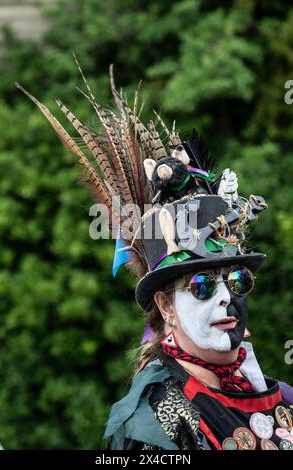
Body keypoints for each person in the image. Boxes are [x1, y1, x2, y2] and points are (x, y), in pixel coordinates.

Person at [18, 65, 293, 451]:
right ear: (165, 306)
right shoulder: (156, 422)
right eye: (200, 286)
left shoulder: (282, 399)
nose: (225, 298)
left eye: (237, 281)